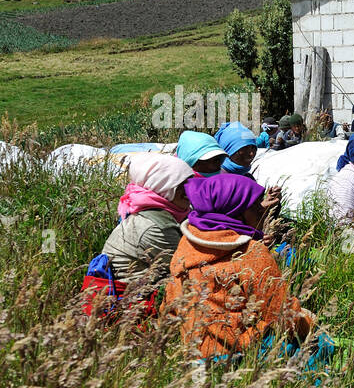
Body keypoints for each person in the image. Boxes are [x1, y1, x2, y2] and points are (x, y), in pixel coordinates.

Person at [165, 174, 326, 365]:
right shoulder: (250, 252)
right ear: (235, 212)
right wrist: (311, 327)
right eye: (256, 207)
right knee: (325, 345)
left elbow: (170, 303)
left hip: (195, 351)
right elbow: (281, 312)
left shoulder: (187, 245)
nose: (262, 211)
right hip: (242, 353)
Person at [82, 154, 194, 316]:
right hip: (132, 306)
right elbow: (184, 270)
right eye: (182, 185)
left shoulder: (152, 211)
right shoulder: (156, 226)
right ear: (163, 187)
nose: (189, 190)